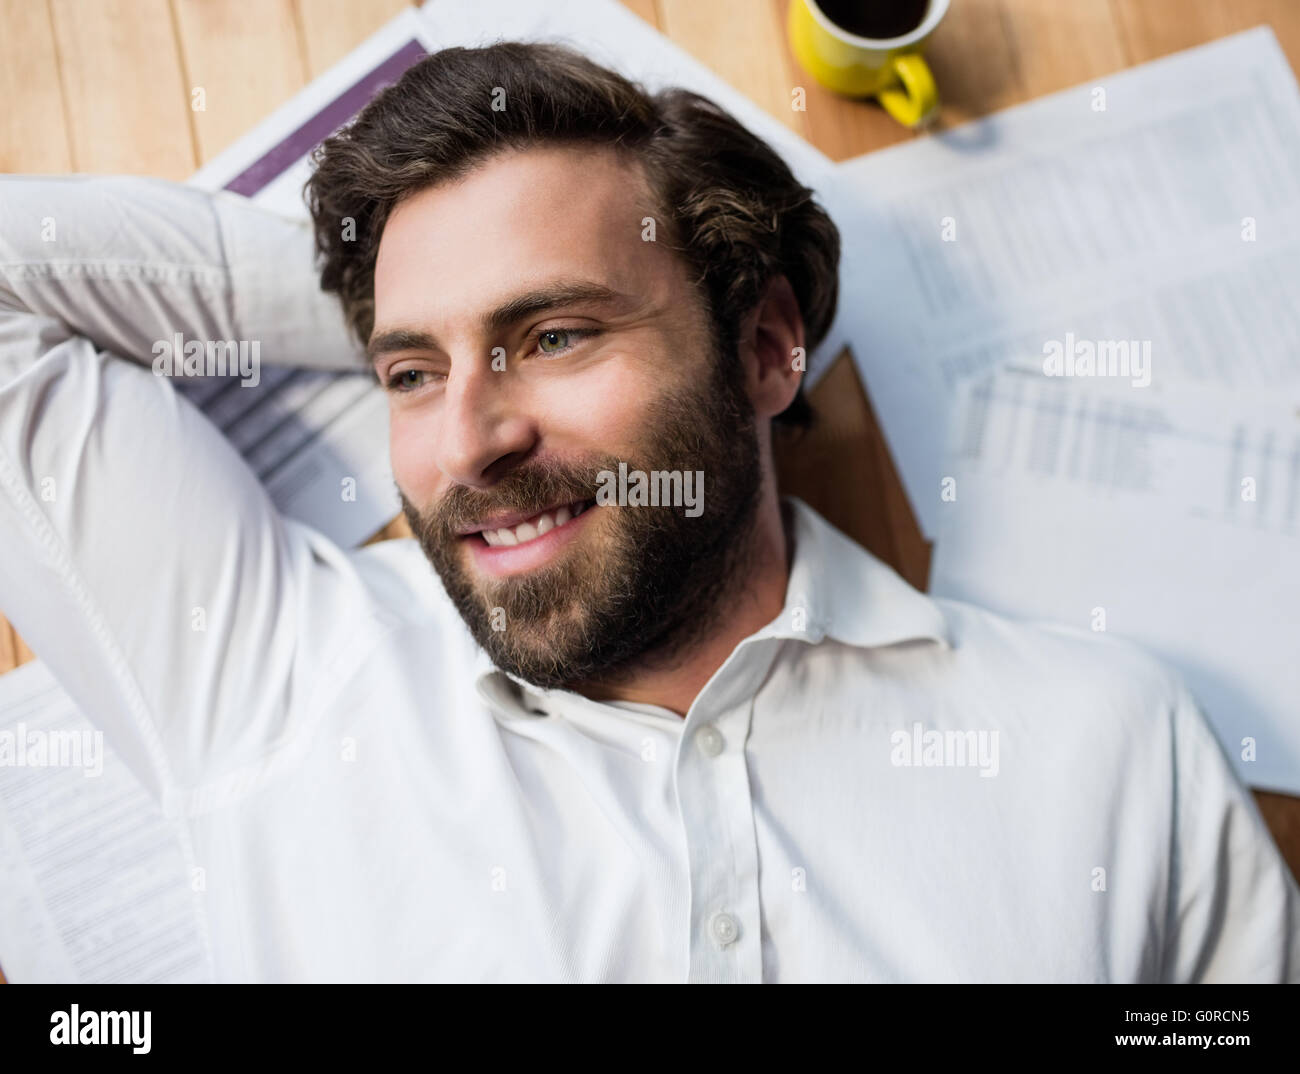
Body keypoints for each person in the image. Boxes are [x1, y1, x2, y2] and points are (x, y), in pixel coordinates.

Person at [0, 42, 1295, 983]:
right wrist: (388, 286)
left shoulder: (1109, 746)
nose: (467, 442)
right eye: (410, 375)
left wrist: (438, 306)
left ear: (766, 346)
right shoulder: (268, 675)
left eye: (556, 333)